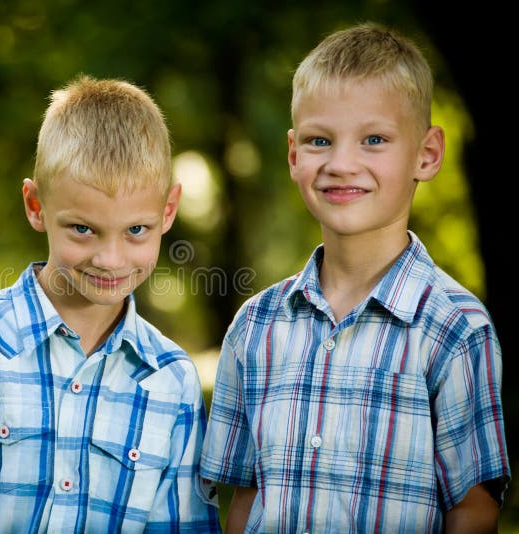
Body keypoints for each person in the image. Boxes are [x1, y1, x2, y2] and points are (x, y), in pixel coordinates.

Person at [0, 75, 220, 533]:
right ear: (35, 206)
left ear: (168, 210)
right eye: (83, 229)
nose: (110, 259)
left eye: (136, 230)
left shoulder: (173, 380)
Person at [200, 22, 511, 533]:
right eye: (320, 140)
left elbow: (474, 509)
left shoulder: (456, 329)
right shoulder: (254, 326)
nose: (341, 163)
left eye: (374, 140)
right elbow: (245, 497)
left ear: (427, 154)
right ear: (294, 155)